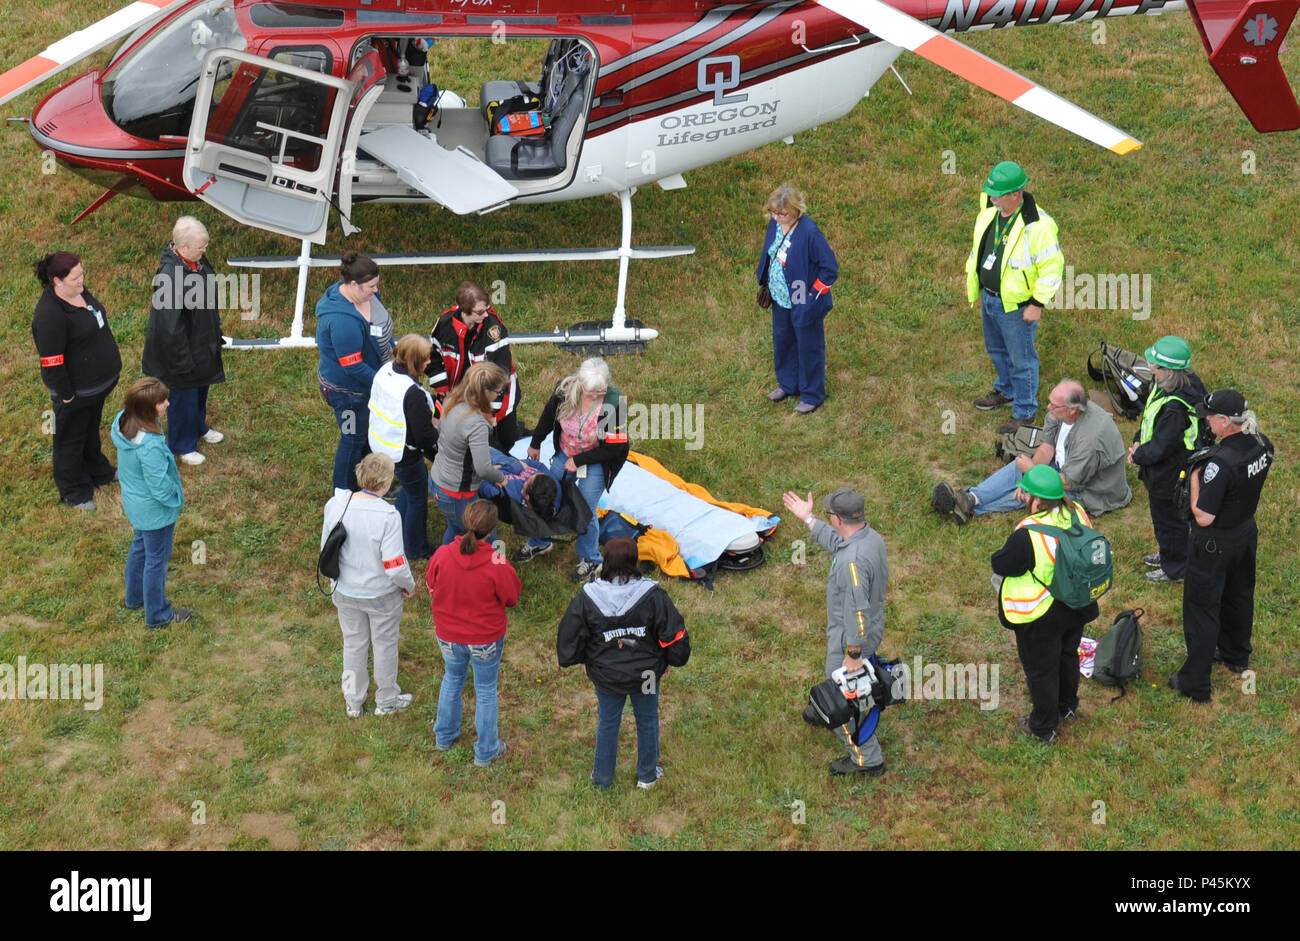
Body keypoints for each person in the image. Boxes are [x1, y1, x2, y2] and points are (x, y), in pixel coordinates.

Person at [557, 537, 690, 790]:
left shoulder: (588, 598)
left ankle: (602, 780)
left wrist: (582, 660)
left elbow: (571, 634)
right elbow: (671, 631)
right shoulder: (653, 595)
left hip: (607, 677)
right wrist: (670, 660)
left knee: (608, 722)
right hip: (647, 675)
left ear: (605, 561)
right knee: (648, 718)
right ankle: (647, 777)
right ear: (634, 561)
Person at [1169, 390, 1273, 705]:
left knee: (1202, 609)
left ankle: (1195, 683)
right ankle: (1236, 655)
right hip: (1244, 532)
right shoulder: (1261, 445)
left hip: (1214, 542)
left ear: (1226, 422)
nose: (1207, 421)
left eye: (1210, 417)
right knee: (1239, 596)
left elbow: (1203, 516)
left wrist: (1197, 475)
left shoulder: (1219, 464)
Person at [781, 487, 889, 776]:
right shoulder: (869, 538)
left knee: (841, 695)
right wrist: (809, 519)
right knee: (847, 686)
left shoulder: (851, 563)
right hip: (870, 628)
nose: (829, 520)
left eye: (829, 516)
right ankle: (830, 708)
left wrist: (852, 653)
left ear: (839, 520)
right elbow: (841, 544)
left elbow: (857, 613)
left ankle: (867, 758)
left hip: (850, 639)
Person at [991, 465, 1099, 744]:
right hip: (1076, 603)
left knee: (1041, 670)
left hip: (1040, 613)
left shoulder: (1028, 534)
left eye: (1027, 494)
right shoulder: (1078, 512)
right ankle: (1067, 706)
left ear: (1037, 501)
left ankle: (1043, 727)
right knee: (1067, 655)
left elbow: (1003, 564)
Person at [931, 379, 1131, 525]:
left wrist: (1032, 482)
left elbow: (1071, 482)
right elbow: (1047, 447)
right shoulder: (1059, 413)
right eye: (1050, 401)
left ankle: (968, 508)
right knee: (1022, 464)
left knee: (1037, 495)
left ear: (1072, 410)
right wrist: (1030, 475)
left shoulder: (1091, 440)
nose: (1048, 407)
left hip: (1091, 490)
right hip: (1065, 467)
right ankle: (970, 498)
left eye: (1054, 404)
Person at [965, 161, 1064, 435]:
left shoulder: (1039, 226)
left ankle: (1024, 411)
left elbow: (1052, 269)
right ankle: (1006, 390)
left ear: (1016, 195)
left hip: (1017, 308)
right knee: (996, 350)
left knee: (1022, 360)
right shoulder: (992, 209)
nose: (991, 198)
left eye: (998, 194)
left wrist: (1037, 303)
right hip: (989, 297)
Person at [321, 452, 416, 717]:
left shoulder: (337, 504)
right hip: (381, 594)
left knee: (353, 645)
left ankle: (353, 702)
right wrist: (409, 584)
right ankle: (386, 701)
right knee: (385, 645)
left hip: (345, 590)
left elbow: (325, 549)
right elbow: (395, 564)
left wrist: (334, 583)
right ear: (385, 484)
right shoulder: (388, 515)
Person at [428, 499, 521, 766]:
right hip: (484, 639)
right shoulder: (496, 562)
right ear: (491, 531)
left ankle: (443, 737)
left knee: (452, 679)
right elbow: (512, 597)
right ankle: (486, 750)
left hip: (448, 635)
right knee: (485, 689)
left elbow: (431, 585)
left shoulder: (443, 554)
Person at [522, 357, 629, 580]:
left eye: (600, 392)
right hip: (565, 451)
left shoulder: (615, 403)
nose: (596, 397)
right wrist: (535, 442)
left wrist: (580, 461)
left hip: (596, 460)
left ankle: (591, 558)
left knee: (585, 509)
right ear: (579, 382)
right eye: (590, 392)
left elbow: (614, 449)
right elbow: (547, 416)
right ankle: (541, 541)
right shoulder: (563, 391)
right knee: (546, 494)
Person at [31, 251, 122, 511]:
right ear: (56, 281)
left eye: (82, 274)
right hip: (76, 393)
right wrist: (66, 395)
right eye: (75, 277)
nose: (82, 280)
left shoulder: (78, 292)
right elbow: (52, 362)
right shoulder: (49, 316)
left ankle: (98, 471)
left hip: (97, 388)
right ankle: (75, 491)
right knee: (69, 440)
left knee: (90, 430)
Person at [141, 216, 226, 466]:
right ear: (183, 247)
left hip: (202, 343)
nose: (205, 250)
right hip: (182, 352)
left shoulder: (195, 260)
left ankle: (198, 426)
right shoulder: (170, 276)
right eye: (201, 247)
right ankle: (181, 444)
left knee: (201, 389)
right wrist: (182, 361)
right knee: (182, 397)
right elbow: (169, 327)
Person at [1126, 336, 1208, 584]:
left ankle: (1175, 567)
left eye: (1155, 366)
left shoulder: (1176, 408)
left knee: (1169, 521)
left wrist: (1137, 455)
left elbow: (1161, 447)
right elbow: (1150, 418)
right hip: (1164, 465)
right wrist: (1139, 438)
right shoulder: (1175, 384)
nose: (1151, 369)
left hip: (1170, 472)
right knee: (1166, 519)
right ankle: (1168, 553)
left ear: (1169, 371)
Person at [110, 378, 191, 628]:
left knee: (141, 547)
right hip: (155, 512)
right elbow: (159, 487)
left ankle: (134, 598)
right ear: (148, 408)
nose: (168, 403)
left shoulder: (124, 420)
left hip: (136, 505)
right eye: (162, 401)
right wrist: (176, 500)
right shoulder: (150, 447)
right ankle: (158, 614)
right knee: (156, 560)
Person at [756, 182, 838, 414]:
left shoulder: (810, 232)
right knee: (783, 340)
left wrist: (811, 297)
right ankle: (788, 384)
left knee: (808, 345)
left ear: (796, 210)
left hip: (803, 296)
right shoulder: (775, 224)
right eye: (773, 213)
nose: (777, 217)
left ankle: (812, 395)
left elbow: (830, 269)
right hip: (780, 296)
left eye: (782, 213)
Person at [316, 251, 391, 493]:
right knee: (352, 439)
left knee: (370, 434)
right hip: (347, 393)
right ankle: (343, 491)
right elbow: (353, 365)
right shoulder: (342, 322)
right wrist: (383, 383)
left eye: (376, 284)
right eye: (371, 286)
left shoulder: (363, 294)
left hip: (368, 386)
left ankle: (371, 483)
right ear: (352, 285)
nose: (375, 290)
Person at [368, 334, 440, 561]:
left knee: (409, 491)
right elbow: (424, 436)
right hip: (404, 455)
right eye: (426, 359)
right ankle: (415, 548)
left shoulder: (384, 371)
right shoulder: (413, 395)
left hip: (381, 445)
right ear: (414, 362)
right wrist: (440, 444)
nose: (429, 363)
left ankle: (394, 531)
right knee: (418, 497)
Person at [428, 281, 523, 449]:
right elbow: (433, 357)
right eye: (480, 312)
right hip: (458, 389)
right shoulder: (445, 325)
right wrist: (442, 388)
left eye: (487, 309)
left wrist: (491, 411)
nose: (486, 315)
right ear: (464, 310)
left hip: (497, 389)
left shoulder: (493, 330)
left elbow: (501, 373)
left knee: (506, 438)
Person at [430, 361, 507, 545]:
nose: (498, 396)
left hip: (437, 481)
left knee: (456, 527)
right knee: (489, 534)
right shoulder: (477, 424)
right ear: (486, 392)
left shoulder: (451, 400)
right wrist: (499, 477)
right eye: (498, 392)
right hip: (457, 493)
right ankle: (497, 568)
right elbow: (482, 469)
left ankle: (443, 563)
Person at [479, 446, 561, 520]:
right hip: (503, 459)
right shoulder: (552, 488)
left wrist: (487, 472)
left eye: (528, 481)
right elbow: (539, 466)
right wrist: (516, 465)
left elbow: (483, 485)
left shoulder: (508, 498)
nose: (529, 474)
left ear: (526, 496)